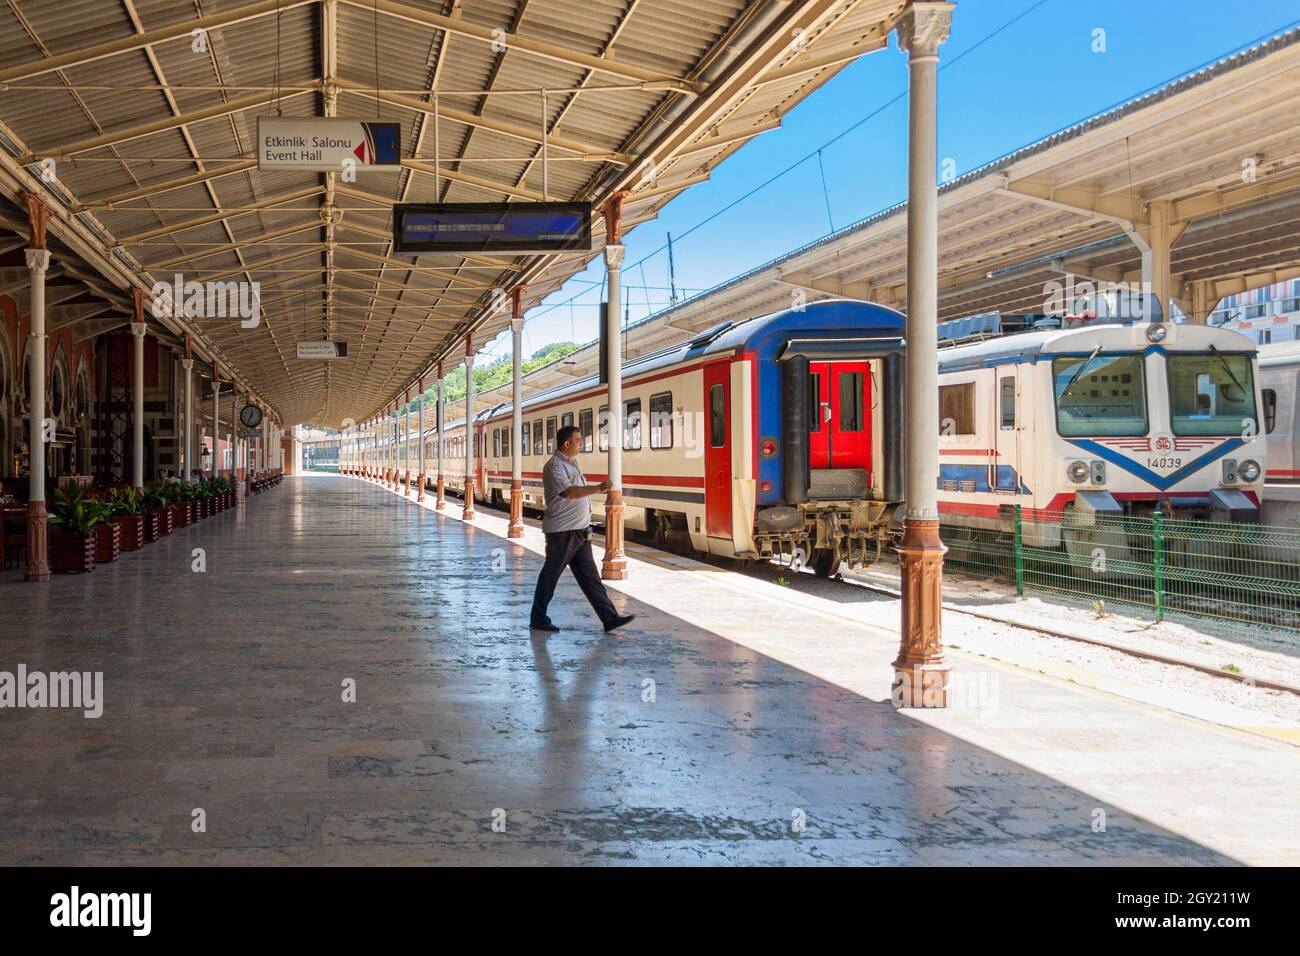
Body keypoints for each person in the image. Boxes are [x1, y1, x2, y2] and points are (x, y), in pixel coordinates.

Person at [530, 425, 635, 634]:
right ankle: (538, 617)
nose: (581, 443)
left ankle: (609, 617)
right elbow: (569, 492)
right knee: (550, 575)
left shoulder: (572, 464)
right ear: (566, 443)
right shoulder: (554, 467)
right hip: (563, 532)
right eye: (578, 440)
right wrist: (598, 488)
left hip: (578, 530)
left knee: (590, 577)